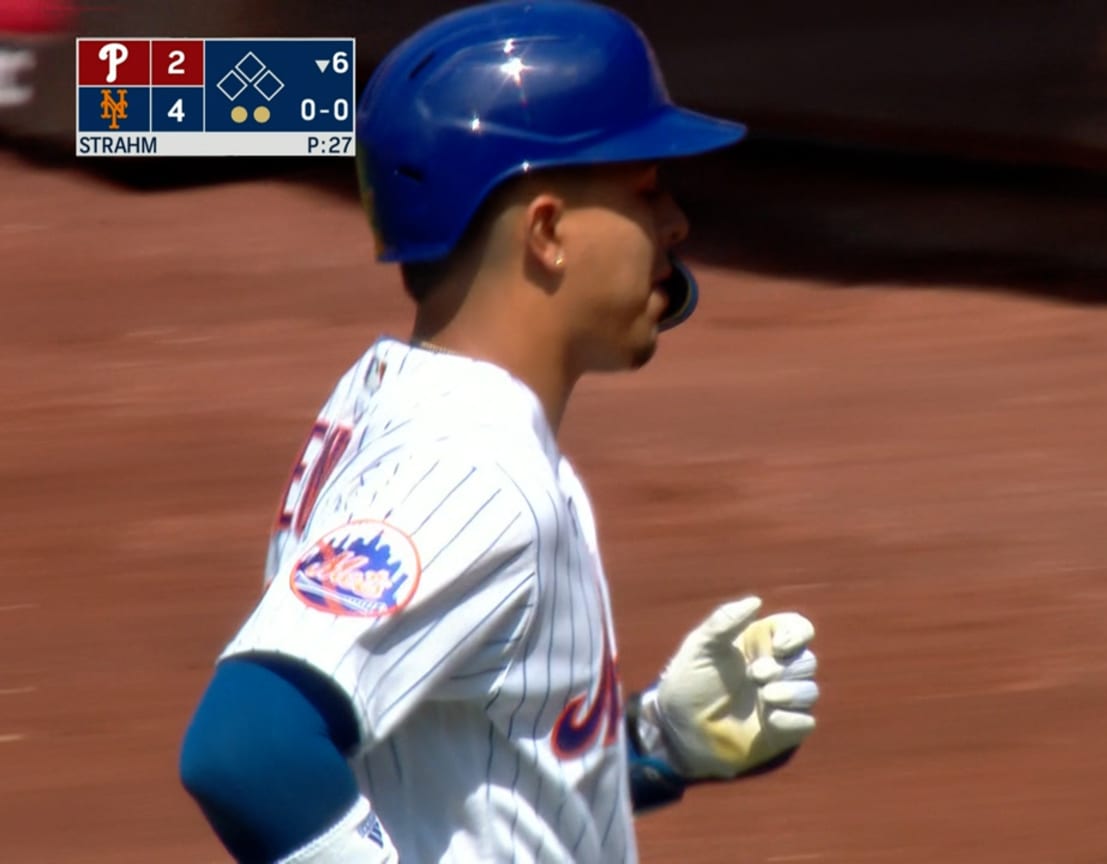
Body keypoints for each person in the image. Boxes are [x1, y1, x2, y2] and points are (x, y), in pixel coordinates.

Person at [176, 2, 822, 861]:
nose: (676, 224)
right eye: (646, 189)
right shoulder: (471, 469)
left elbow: (449, 772)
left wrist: (654, 746)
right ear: (548, 233)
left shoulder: (389, 398)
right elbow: (246, 748)